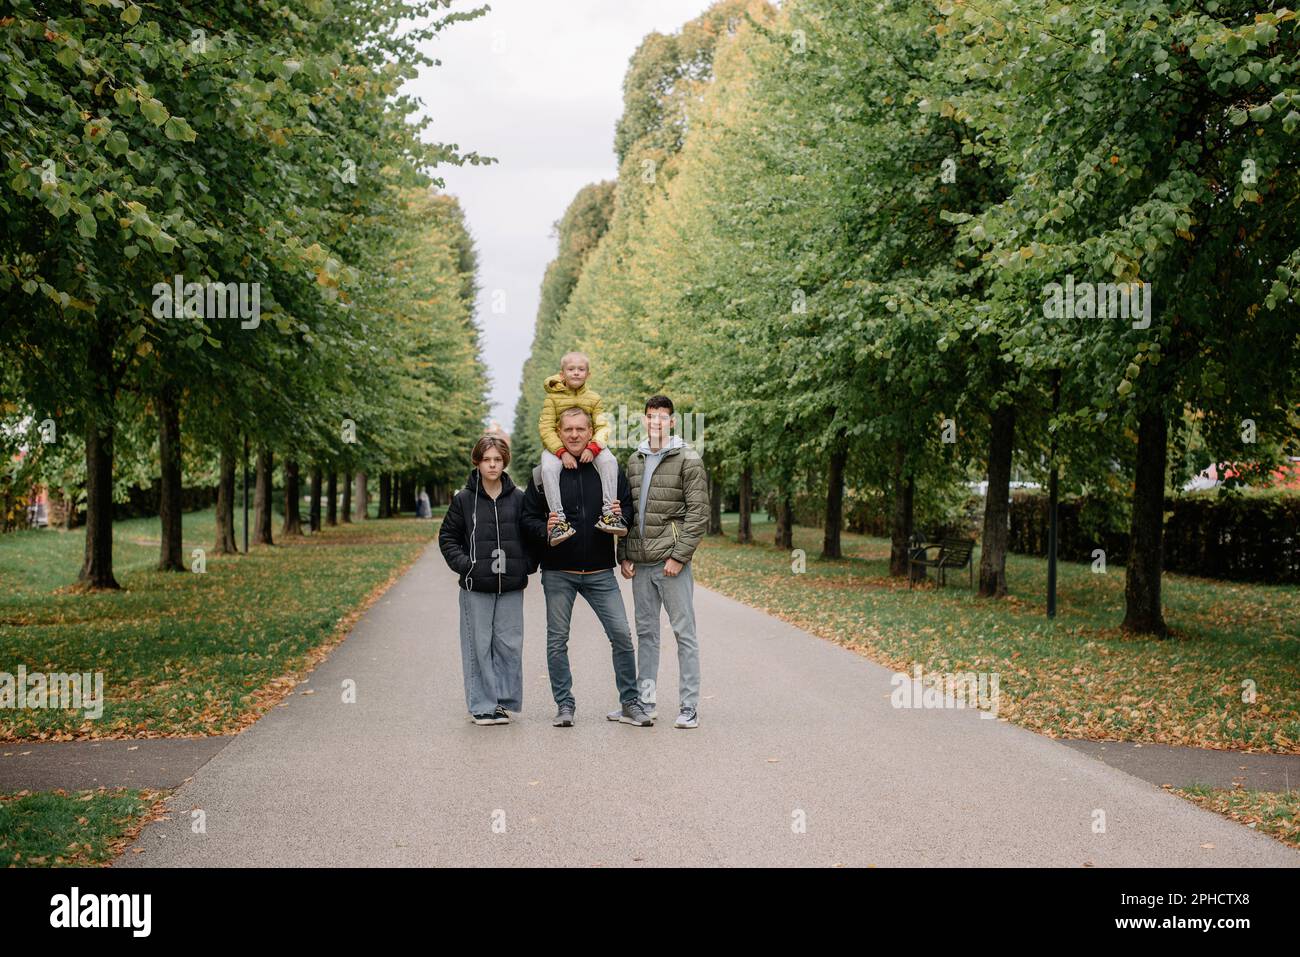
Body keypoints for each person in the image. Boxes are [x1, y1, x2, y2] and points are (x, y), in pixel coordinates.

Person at [522, 407, 651, 728]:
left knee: (621, 635)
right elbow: (527, 518)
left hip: (599, 572)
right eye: (569, 430)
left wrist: (622, 516)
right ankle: (564, 705)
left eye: (581, 429)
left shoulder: (606, 470)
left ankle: (630, 701)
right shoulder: (543, 473)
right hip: (557, 572)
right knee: (556, 641)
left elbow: (628, 512)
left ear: (591, 431)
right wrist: (545, 528)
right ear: (559, 432)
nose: (575, 435)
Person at [613, 395, 709, 729]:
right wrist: (624, 553)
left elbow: (698, 514)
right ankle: (647, 703)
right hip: (641, 564)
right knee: (648, 635)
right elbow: (627, 509)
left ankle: (689, 707)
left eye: (662, 417)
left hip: (671, 563)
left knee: (685, 633)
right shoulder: (635, 459)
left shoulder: (688, 458)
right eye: (650, 416)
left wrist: (679, 556)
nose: (656, 421)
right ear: (644, 419)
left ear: (671, 421)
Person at [438, 434, 533, 726]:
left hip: (511, 586)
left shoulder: (518, 497)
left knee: (509, 644)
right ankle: (482, 705)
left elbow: (533, 534)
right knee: (477, 644)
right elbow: (447, 538)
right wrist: (467, 566)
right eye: (487, 460)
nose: (492, 465)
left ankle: (501, 703)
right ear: (477, 462)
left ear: (504, 462)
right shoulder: (464, 500)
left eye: (497, 460)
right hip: (475, 586)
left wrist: (525, 566)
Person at [537, 351, 627, 545]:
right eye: (571, 369)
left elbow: (603, 426)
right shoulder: (552, 399)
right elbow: (546, 428)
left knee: (610, 461)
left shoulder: (594, 399)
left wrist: (593, 448)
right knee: (548, 468)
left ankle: (610, 514)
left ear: (588, 374)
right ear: (562, 374)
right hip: (557, 447)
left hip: (590, 445)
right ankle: (559, 522)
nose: (576, 373)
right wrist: (561, 452)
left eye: (581, 369)